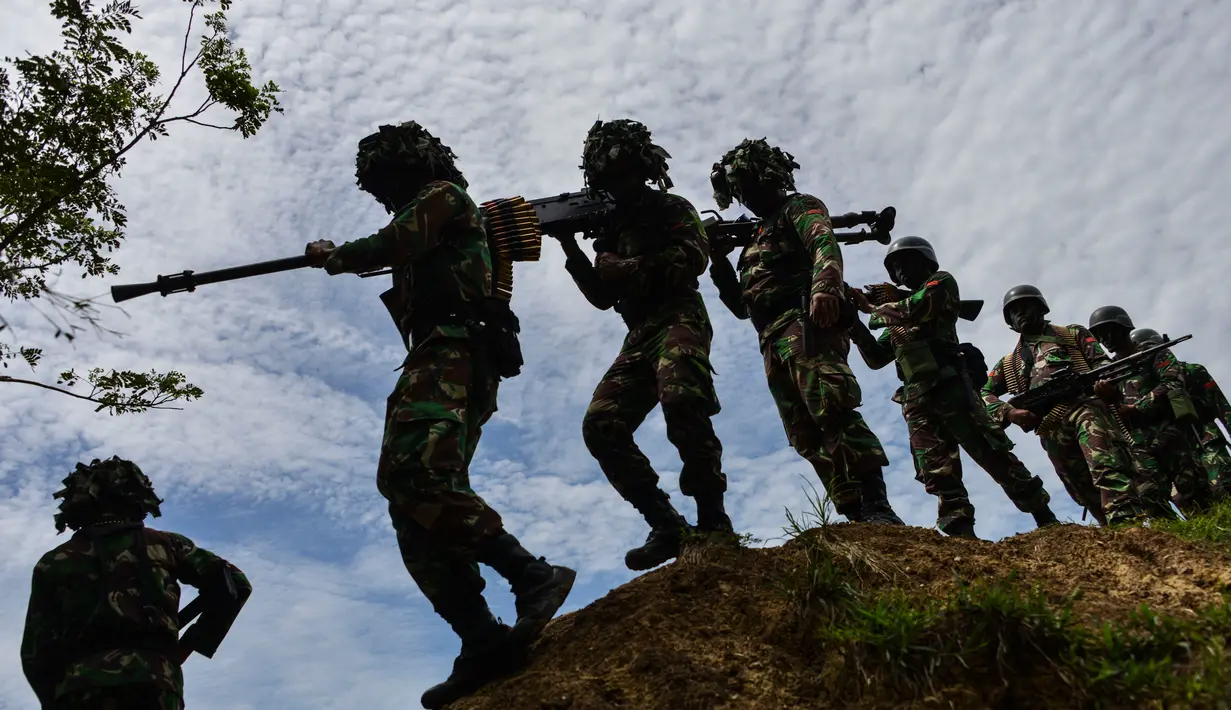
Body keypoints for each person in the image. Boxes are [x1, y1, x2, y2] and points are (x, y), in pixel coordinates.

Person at [305, 121, 575, 709]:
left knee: (413, 476)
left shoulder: (442, 198)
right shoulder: (429, 217)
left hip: (455, 348)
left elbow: (391, 242)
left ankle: (531, 575)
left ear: (409, 170)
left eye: (385, 184)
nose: (382, 196)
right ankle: (481, 639)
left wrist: (335, 256)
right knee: (414, 509)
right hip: (436, 352)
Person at [552, 118, 733, 572]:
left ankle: (713, 520)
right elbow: (601, 296)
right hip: (638, 334)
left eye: (625, 171)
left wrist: (628, 266)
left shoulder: (671, 206)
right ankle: (666, 525)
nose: (619, 182)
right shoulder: (610, 229)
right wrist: (570, 247)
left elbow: (694, 255)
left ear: (642, 167)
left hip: (679, 316)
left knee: (681, 398)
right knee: (601, 424)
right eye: (610, 176)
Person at [707, 138, 902, 525]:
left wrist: (825, 287)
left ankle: (877, 505)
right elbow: (740, 308)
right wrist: (718, 259)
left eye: (745, 183)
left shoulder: (797, 207)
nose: (742, 195)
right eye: (736, 189)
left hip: (805, 321)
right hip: (771, 338)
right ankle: (853, 513)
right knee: (803, 432)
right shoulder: (752, 242)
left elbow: (823, 242)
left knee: (832, 407)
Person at [848, 237, 1056, 537]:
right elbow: (876, 357)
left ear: (925, 262)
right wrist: (854, 322)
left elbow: (917, 307)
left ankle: (1043, 515)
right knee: (937, 470)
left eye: (907, 262)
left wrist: (871, 306)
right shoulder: (896, 316)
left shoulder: (941, 284)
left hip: (953, 390)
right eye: (895, 267)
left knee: (993, 454)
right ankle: (960, 532)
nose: (901, 270)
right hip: (917, 400)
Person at [21, 456, 250, 710]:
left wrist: (54, 699)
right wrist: (188, 646)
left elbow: (36, 654)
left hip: (79, 688)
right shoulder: (167, 545)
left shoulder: (53, 563)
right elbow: (235, 584)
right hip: (155, 682)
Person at [980, 286, 1173, 525]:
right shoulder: (1009, 363)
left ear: (1040, 308)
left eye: (1026, 307)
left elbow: (1102, 364)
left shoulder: (1071, 334)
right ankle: (1113, 536)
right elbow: (985, 393)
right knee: (1080, 485)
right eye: (1014, 312)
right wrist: (1010, 412)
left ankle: (1127, 523)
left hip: (1086, 410)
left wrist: (1105, 386)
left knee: (1106, 466)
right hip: (1051, 429)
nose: (1021, 314)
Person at [1088, 308, 1213, 515]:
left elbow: (1173, 382)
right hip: (1137, 442)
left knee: (1196, 493)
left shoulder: (1154, 353)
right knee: (1151, 499)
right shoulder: (1107, 371)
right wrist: (1108, 397)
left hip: (1171, 433)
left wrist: (1136, 408)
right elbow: (1110, 411)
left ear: (1123, 328)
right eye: (1099, 335)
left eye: (1108, 331)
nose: (1104, 339)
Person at [1132, 328, 1231, 501]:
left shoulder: (1192, 371)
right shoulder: (1139, 388)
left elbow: (1222, 407)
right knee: (1188, 498)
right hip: (1171, 446)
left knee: (1223, 483)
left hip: (1205, 437)